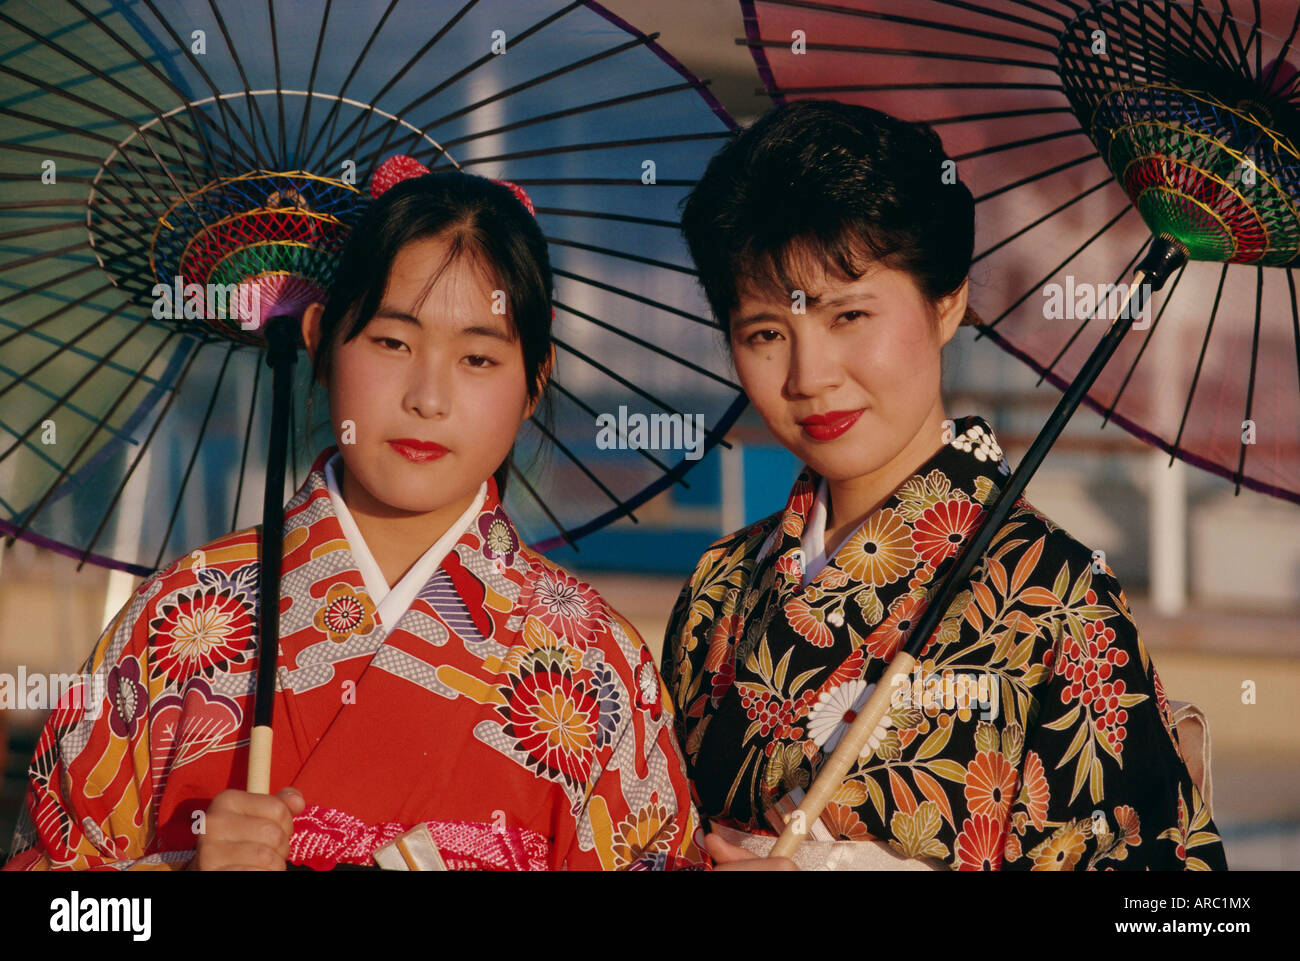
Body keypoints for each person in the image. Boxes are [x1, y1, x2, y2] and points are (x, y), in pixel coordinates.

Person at [5, 160, 706, 871]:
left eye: (478, 358)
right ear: (318, 339)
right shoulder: (177, 623)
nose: (428, 397)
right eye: (391, 342)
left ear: (535, 381)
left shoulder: (597, 666)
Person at [663, 100, 1228, 870]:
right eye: (765, 333)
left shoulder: (1058, 598)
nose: (809, 376)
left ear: (947, 299)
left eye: (849, 315)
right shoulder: (719, 591)